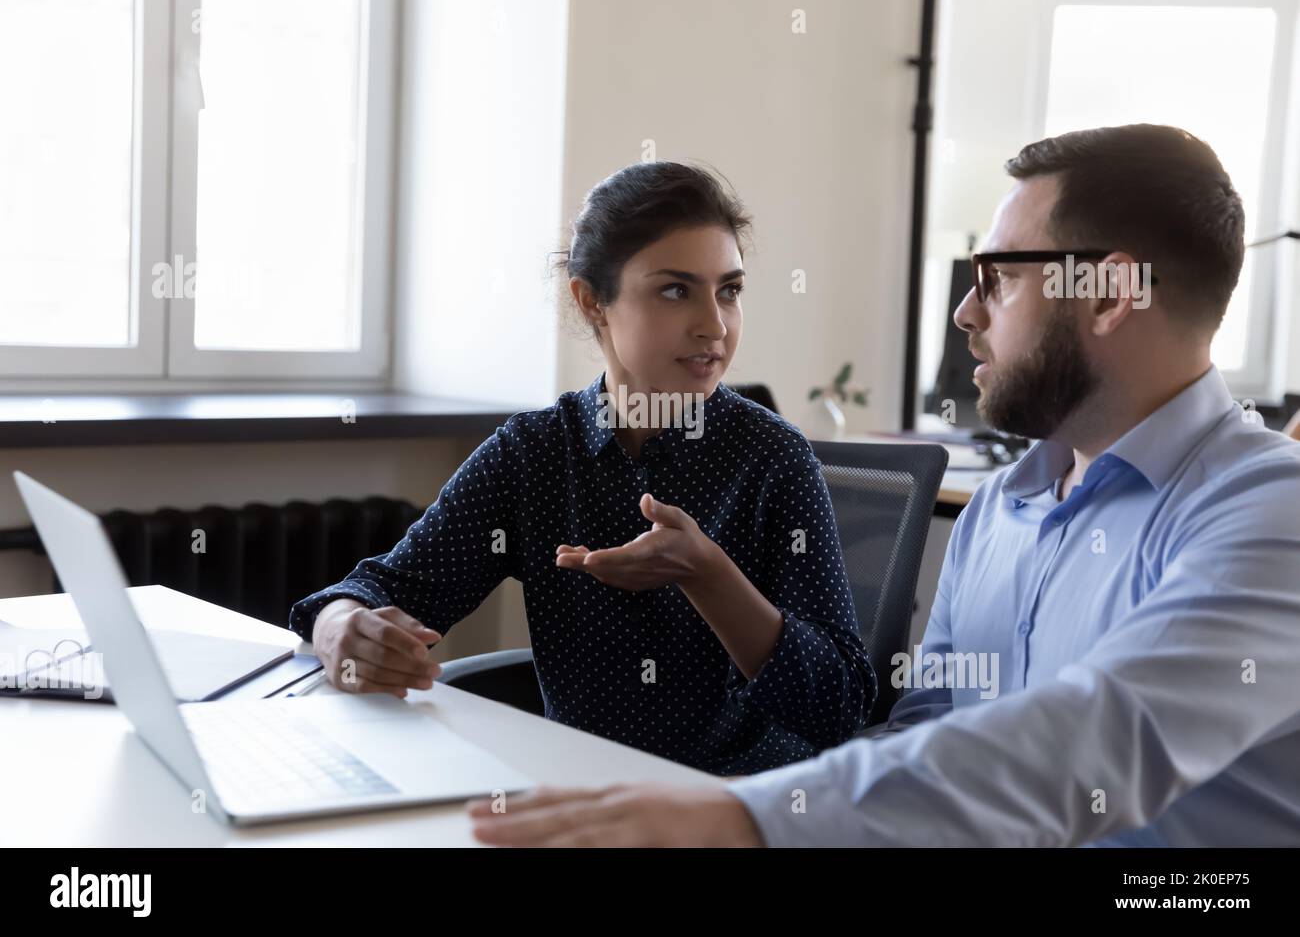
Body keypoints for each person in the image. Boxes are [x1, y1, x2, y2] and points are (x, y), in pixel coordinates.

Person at [469, 125, 1300, 846]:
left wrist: (746, 821)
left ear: (1113, 293)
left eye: (999, 277)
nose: (967, 314)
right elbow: (926, 731)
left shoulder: (1267, 512)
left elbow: (1103, 739)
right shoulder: (1001, 510)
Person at [288, 161, 875, 776]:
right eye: (677, 289)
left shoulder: (773, 457)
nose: (716, 325)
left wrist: (710, 578)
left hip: (743, 805)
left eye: (729, 290)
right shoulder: (533, 453)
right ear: (592, 301)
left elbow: (840, 710)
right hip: (580, 799)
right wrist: (338, 626)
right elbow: (385, 589)